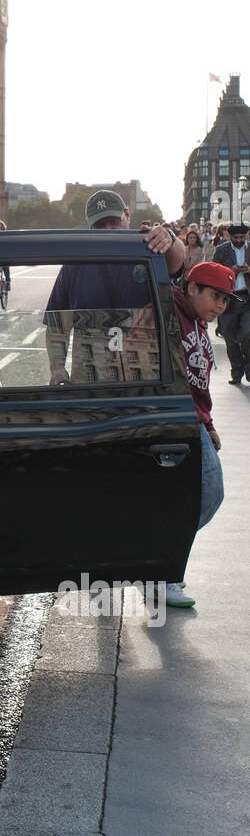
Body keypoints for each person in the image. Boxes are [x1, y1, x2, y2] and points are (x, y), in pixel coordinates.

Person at [44, 190, 184, 384]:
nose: (108, 229)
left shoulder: (148, 247)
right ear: (90, 226)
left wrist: (169, 237)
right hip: (89, 375)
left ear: (127, 215)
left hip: (144, 374)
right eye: (100, 225)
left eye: (113, 221)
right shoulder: (74, 264)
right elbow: (56, 324)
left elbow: (176, 263)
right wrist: (57, 369)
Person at [161, 260, 235, 606]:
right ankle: (159, 568)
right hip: (175, 419)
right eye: (215, 296)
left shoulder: (198, 322)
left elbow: (200, 384)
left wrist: (209, 424)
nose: (220, 306)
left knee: (199, 496)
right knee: (208, 491)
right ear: (192, 289)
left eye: (225, 300)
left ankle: (161, 568)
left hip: (194, 420)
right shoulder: (171, 313)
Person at [211, 222, 250, 383]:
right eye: (236, 238)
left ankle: (248, 368)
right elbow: (212, 272)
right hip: (228, 299)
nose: (239, 240)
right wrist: (230, 271)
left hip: (247, 298)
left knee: (246, 334)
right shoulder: (222, 250)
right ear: (229, 236)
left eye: (242, 237)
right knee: (230, 337)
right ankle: (237, 371)